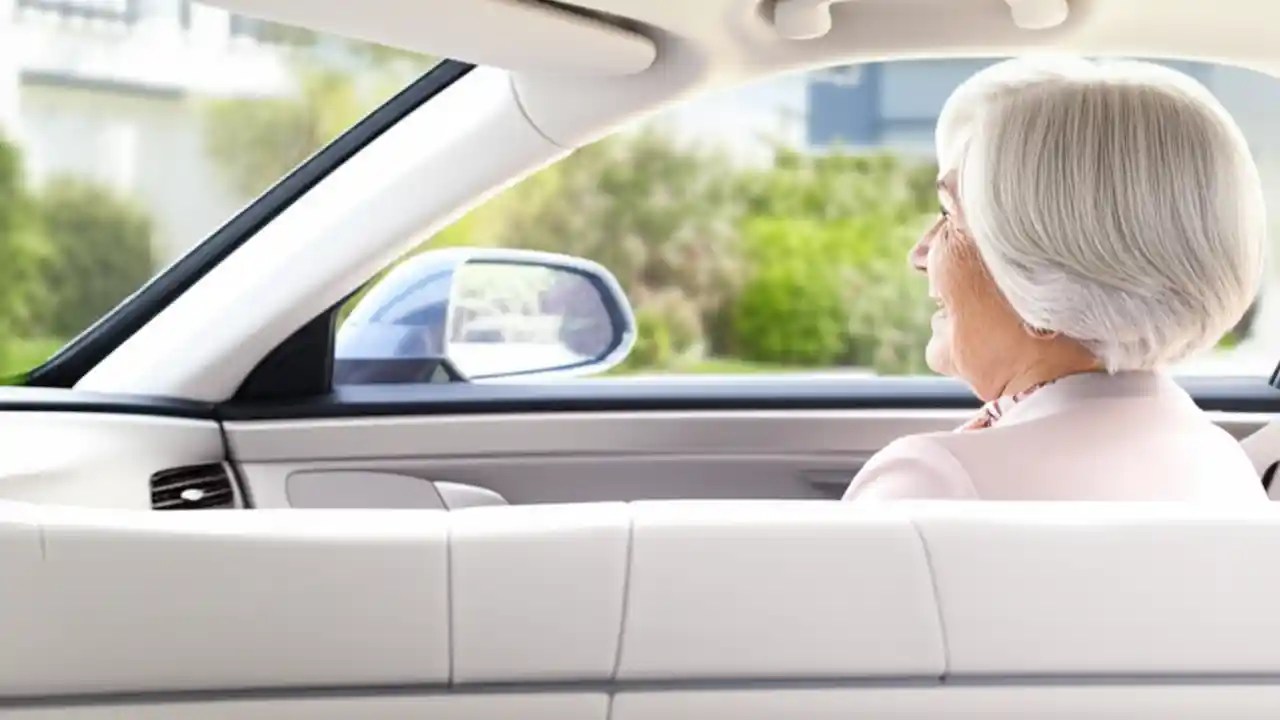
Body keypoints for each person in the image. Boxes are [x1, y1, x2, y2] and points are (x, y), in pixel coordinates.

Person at [843, 57, 1268, 502]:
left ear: (1043, 283)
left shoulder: (930, 484)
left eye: (950, 216)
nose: (920, 253)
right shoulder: (1223, 465)